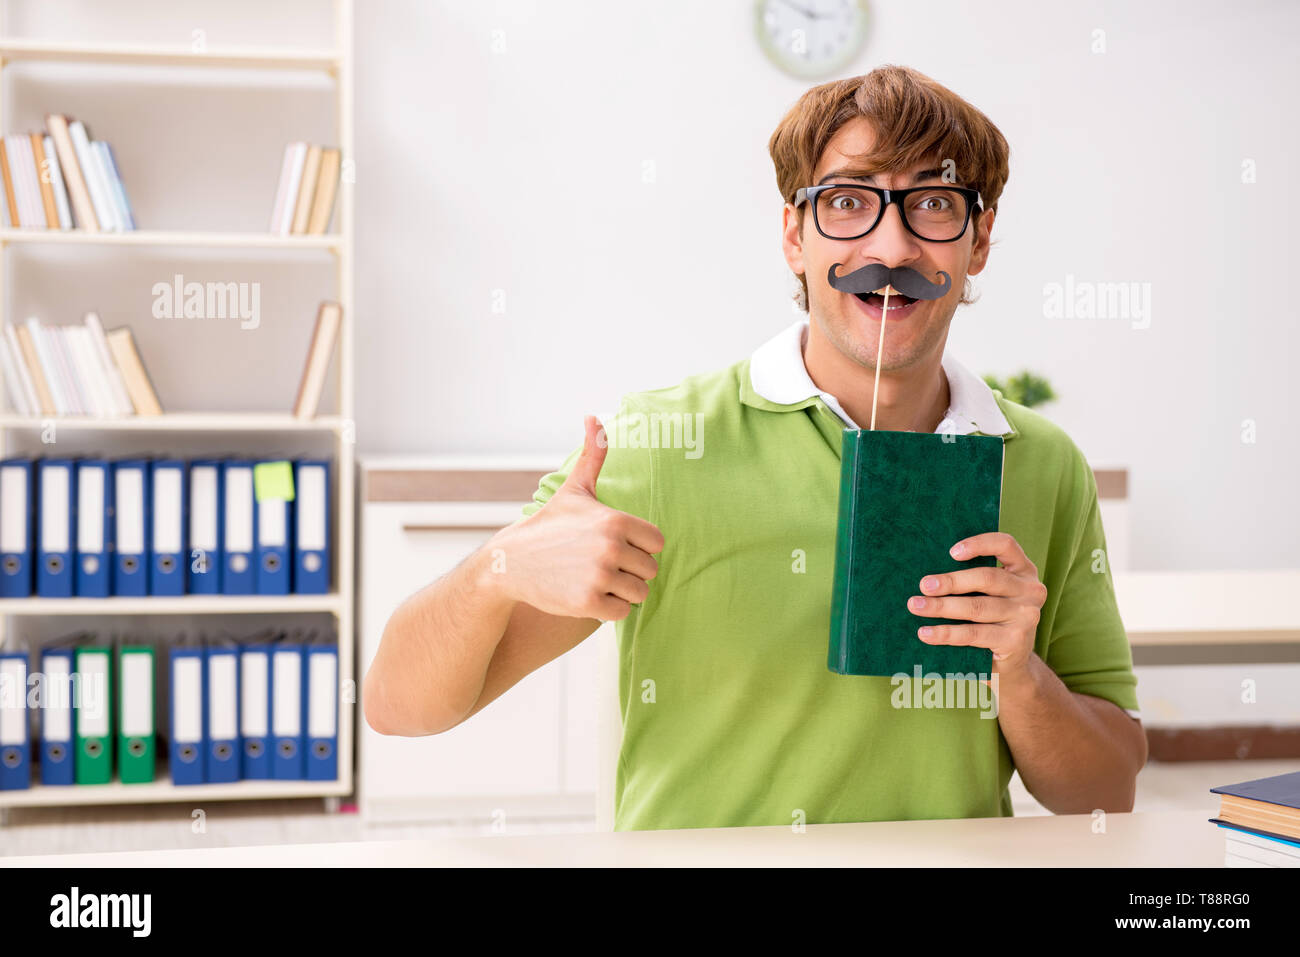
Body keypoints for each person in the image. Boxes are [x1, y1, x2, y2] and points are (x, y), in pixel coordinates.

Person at [364, 64, 1147, 831]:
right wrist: (498, 568)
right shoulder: (659, 447)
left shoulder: (1042, 462)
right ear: (793, 234)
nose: (894, 244)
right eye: (848, 202)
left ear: (977, 242)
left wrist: (1019, 671)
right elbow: (398, 707)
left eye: (934, 205)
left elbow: (1107, 794)